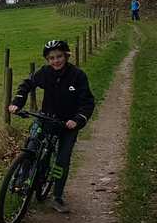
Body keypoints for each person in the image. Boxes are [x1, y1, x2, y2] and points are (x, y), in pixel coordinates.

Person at [8, 40, 95, 213]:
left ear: (67, 56)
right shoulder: (45, 73)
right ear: (47, 60)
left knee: (62, 160)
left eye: (59, 56)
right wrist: (17, 103)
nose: (56, 61)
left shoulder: (77, 75)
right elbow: (27, 85)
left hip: (67, 125)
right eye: (51, 58)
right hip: (45, 119)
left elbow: (88, 102)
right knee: (31, 146)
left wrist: (77, 119)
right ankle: (22, 179)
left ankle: (57, 195)